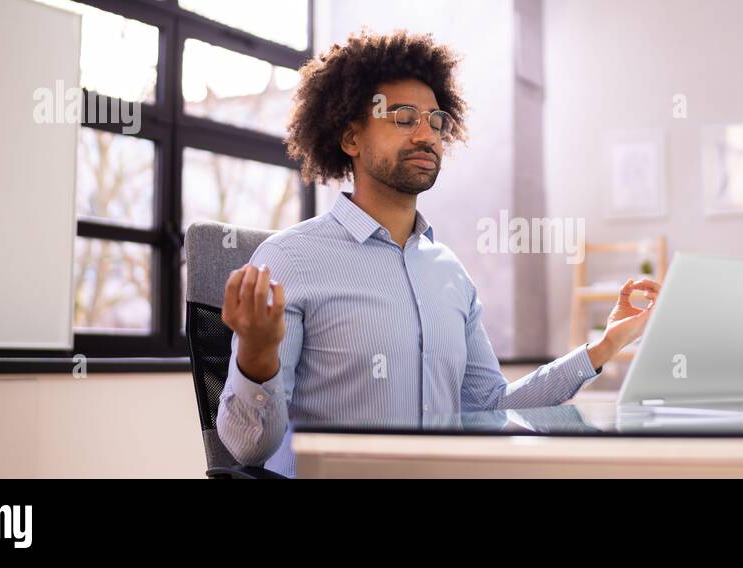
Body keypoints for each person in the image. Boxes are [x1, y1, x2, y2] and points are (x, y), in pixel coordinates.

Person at [216, 30, 660, 476]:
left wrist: (604, 347)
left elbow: (490, 408)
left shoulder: (448, 272)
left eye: (436, 121)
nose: (427, 135)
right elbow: (247, 449)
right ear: (351, 138)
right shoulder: (289, 260)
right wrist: (256, 356)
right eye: (404, 118)